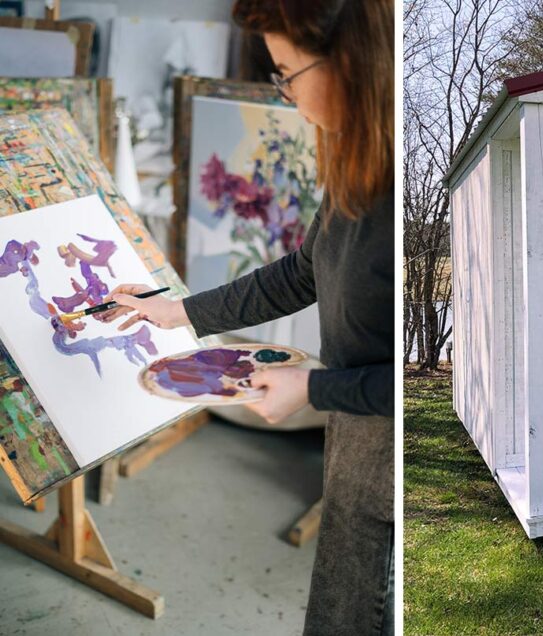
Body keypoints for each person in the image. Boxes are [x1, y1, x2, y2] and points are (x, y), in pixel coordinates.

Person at [98, 1, 395, 634]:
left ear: (351, 63)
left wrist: (312, 388)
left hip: (395, 464)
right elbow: (300, 274)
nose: (283, 93)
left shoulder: (404, 184)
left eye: (286, 73)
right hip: (353, 438)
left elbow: (425, 381)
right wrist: (178, 311)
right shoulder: (358, 165)